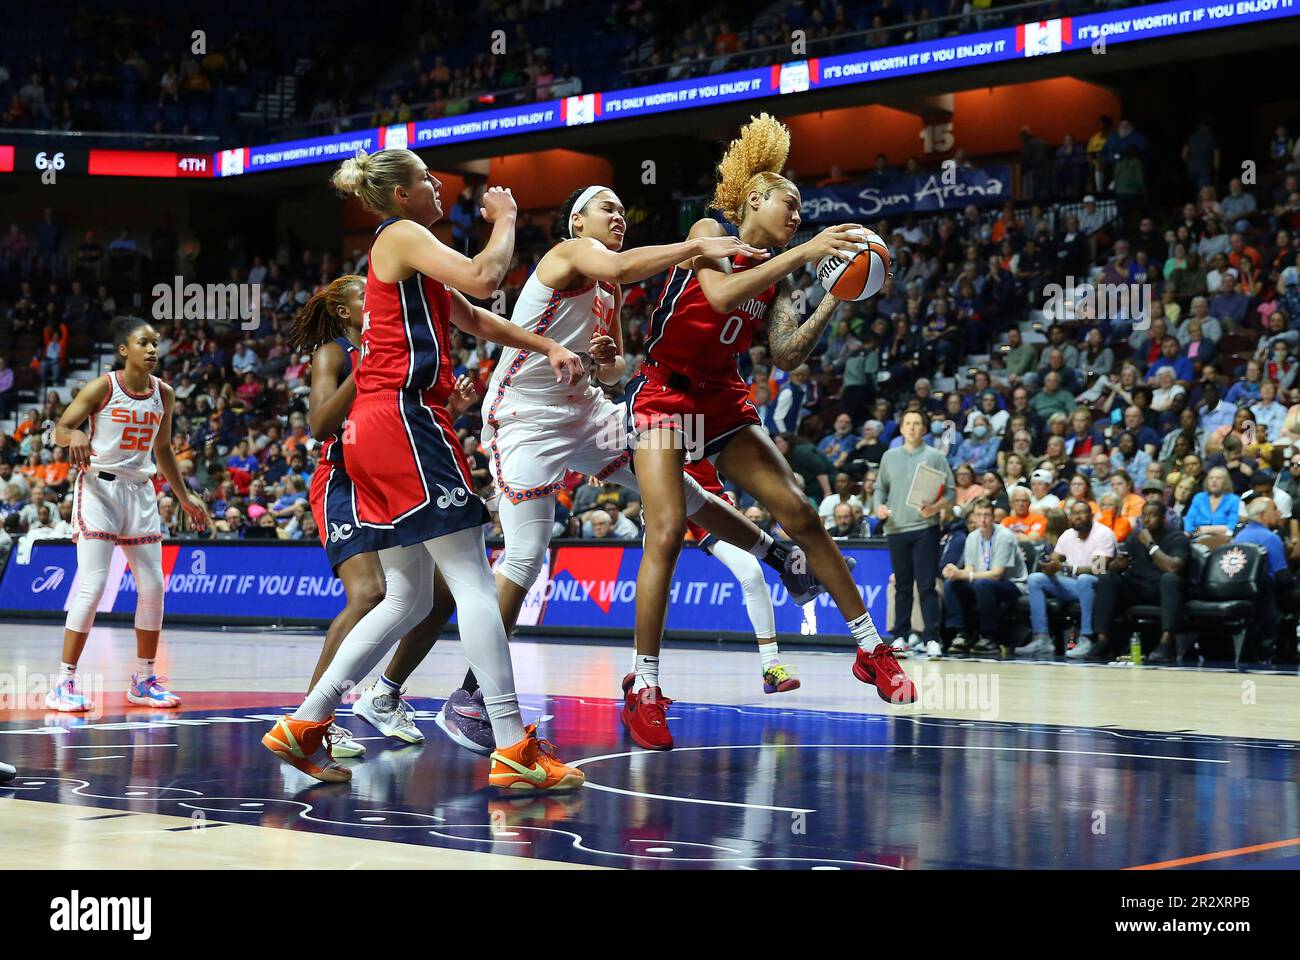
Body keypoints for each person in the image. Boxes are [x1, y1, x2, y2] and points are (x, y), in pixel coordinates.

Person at [264, 147, 588, 790]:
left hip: (382, 428)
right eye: (426, 180)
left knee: (406, 595)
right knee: (471, 579)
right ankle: (512, 744)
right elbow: (486, 278)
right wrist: (506, 217)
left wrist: (546, 341)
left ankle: (304, 724)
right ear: (401, 195)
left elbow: (472, 315)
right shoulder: (403, 234)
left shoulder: (416, 252)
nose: (438, 187)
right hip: (402, 418)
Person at [478, 182, 826, 749]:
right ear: (577, 222)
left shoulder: (607, 292)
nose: (618, 217)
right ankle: (473, 693)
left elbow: (612, 371)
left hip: (585, 410)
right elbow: (619, 265)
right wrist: (693, 250)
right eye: (606, 209)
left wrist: (609, 363)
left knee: (676, 493)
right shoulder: (570, 255)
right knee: (524, 555)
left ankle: (779, 554)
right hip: (526, 416)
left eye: (622, 210)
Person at [623, 113, 917, 742]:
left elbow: (784, 352)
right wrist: (803, 255)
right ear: (756, 197)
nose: (798, 215)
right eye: (792, 201)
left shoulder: (781, 271)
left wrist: (836, 296)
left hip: (722, 399)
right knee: (670, 530)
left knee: (800, 511)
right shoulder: (709, 232)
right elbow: (724, 296)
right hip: (665, 394)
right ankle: (644, 683)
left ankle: (871, 648)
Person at [289, 274, 467, 757]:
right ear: (347, 312)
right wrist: (362, 367)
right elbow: (321, 424)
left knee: (441, 597)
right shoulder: (334, 353)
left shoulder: (398, 350)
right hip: (343, 480)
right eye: (365, 295)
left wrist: (456, 407)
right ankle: (312, 718)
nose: (378, 298)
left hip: (390, 477)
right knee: (370, 593)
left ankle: (384, 694)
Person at [45, 317, 211, 712]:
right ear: (124, 350)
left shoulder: (164, 393)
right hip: (99, 488)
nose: (153, 349)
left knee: (153, 587)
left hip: (140, 491)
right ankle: (63, 683)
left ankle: (144, 679)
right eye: (143, 343)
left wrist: (185, 497)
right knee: (94, 585)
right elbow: (60, 429)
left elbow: (165, 449)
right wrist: (78, 434)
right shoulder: (103, 386)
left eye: (155, 343)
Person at [875, 410, 957, 659]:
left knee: (926, 585)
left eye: (917, 424)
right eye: (908, 424)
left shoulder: (935, 456)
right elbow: (880, 489)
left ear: (924, 429)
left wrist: (935, 507)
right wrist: (879, 507)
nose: (912, 428)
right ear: (901, 429)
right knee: (901, 585)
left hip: (925, 528)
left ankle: (931, 638)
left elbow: (951, 493)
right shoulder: (889, 456)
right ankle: (900, 637)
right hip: (896, 528)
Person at [1087, 501, 1190, 662]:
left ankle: (1165, 642)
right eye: (1145, 516)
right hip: (1137, 588)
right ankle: (1102, 640)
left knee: (1170, 579)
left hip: (1161, 590)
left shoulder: (1176, 537)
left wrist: (1150, 544)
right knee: (1107, 578)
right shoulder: (1135, 537)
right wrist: (1117, 565)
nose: (1148, 520)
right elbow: (1117, 564)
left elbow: (1173, 567)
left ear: (1163, 518)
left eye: (1153, 515)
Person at [1018, 499, 1117, 659]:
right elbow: (1053, 559)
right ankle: (1041, 638)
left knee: (1084, 579)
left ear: (1091, 516)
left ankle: (1087, 638)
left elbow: (1099, 569)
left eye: (1082, 513)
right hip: (1073, 586)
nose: (1078, 517)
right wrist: (1048, 565)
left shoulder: (1103, 533)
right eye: (1074, 513)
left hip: (1097, 587)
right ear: (1069, 517)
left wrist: (1064, 568)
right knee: (1035, 579)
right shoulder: (1067, 534)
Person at [941, 497, 1028, 656]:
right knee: (952, 584)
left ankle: (989, 636)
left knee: (983, 584)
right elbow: (969, 570)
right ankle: (962, 633)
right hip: (982, 582)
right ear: (973, 517)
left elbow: (997, 574)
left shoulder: (1004, 536)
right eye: (979, 515)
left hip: (1013, 584)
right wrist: (955, 572)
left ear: (993, 516)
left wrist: (965, 574)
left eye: (987, 515)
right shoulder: (972, 537)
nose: (983, 519)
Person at [1232, 496, 1289, 661]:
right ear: (1263, 515)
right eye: (1274, 510)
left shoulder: (1239, 536)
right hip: (1267, 598)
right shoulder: (1270, 537)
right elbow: (1282, 577)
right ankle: (1287, 650)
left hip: (1242, 593)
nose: (1279, 513)